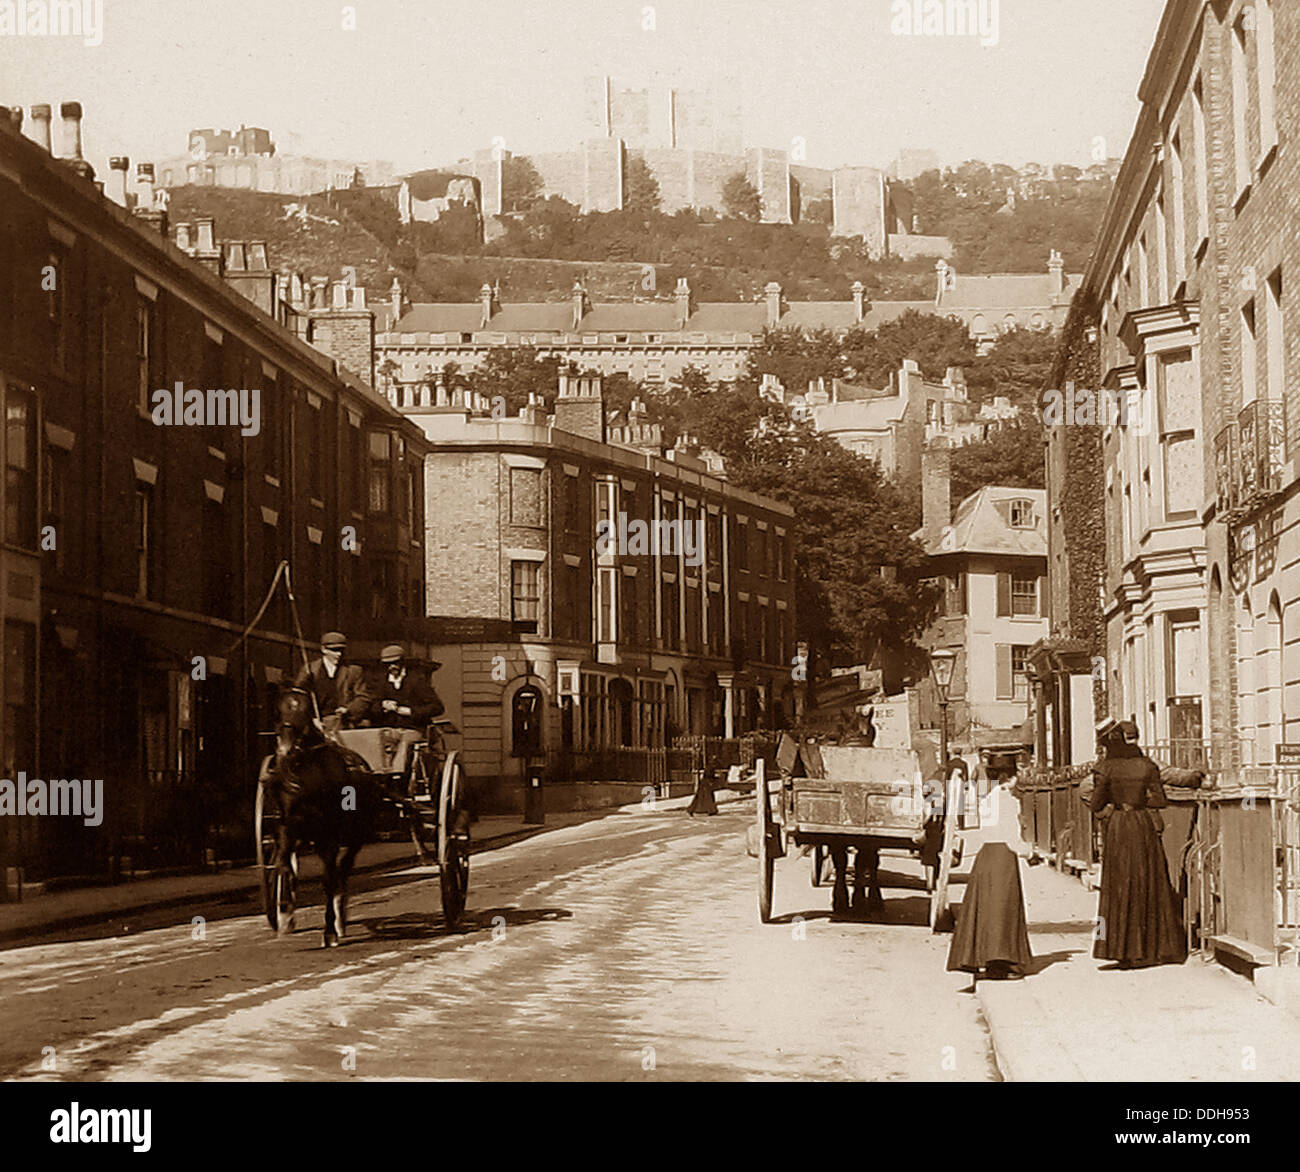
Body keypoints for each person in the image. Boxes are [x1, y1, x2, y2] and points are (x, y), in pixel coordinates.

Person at [1089, 720, 1187, 968]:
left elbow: (1095, 803)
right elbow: (1160, 800)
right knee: (1149, 882)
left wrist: (1112, 810)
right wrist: (1141, 801)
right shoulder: (1147, 766)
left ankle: (1120, 949)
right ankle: (1151, 949)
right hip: (1142, 826)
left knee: (1117, 886)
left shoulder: (1105, 768)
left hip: (1119, 828)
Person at [293, 631, 371, 732]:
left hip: (344, 724)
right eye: (334, 650)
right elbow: (298, 697)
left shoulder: (354, 671)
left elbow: (363, 697)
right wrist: (312, 719)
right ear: (323, 649)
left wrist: (348, 709)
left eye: (341, 650)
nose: (339, 654)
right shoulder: (309, 670)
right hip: (315, 725)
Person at [370, 644, 444, 730]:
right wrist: (383, 705)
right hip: (389, 731)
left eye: (395, 663)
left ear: (402, 662)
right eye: (388, 664)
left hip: (414, 729)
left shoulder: (416, 680)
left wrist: (410, 711)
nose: (392, 667)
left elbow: (437, 707)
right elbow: (372, 708)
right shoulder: (381, 682)